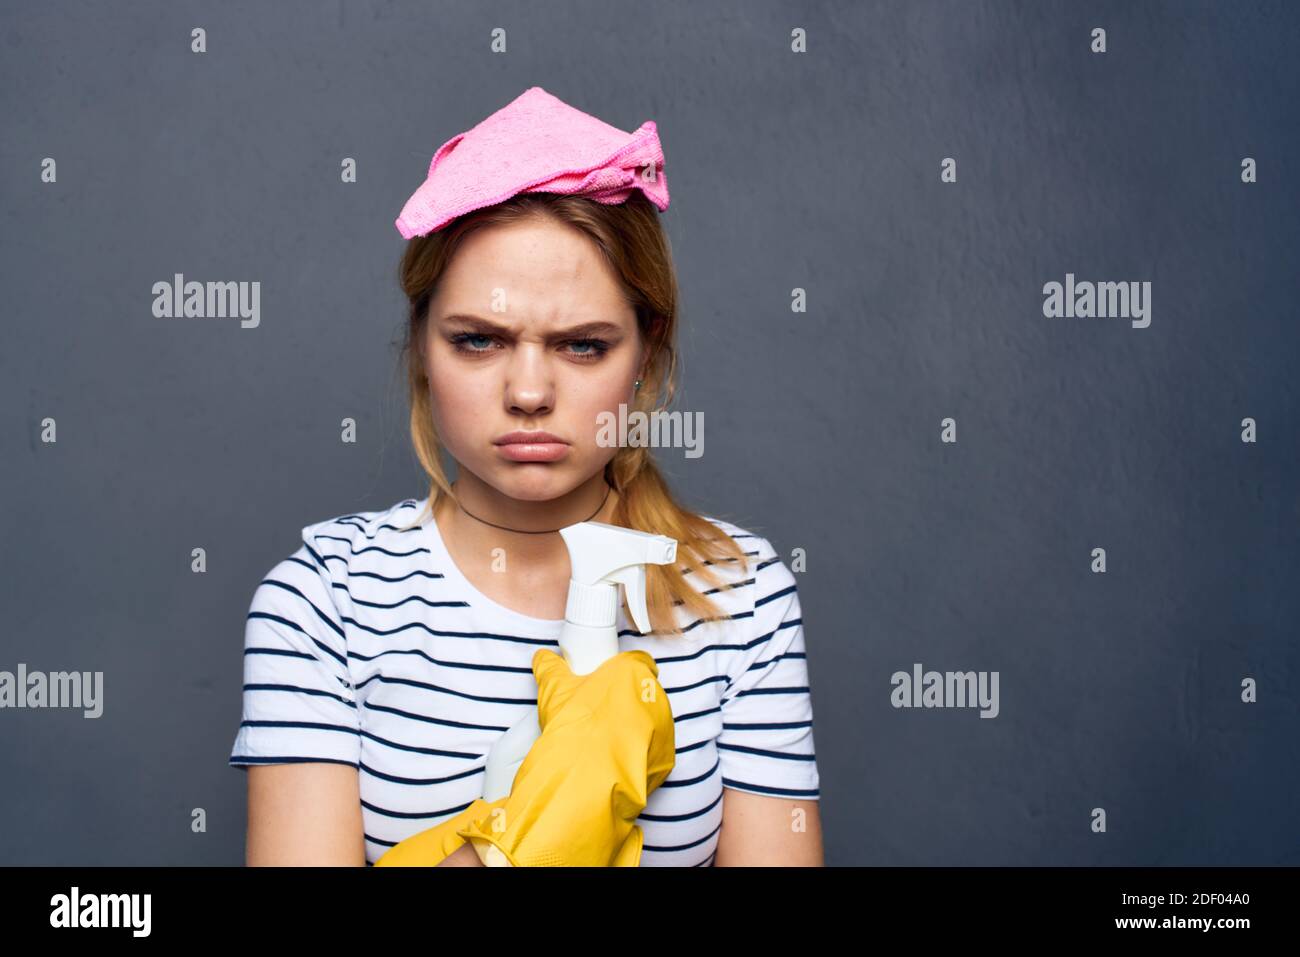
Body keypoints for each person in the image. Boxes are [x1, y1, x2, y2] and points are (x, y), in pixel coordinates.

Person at [228, 87, 822, 866]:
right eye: (479, 340)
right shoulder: (324, 605)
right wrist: (527, 838)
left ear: (646, 356)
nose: (530, 393)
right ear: (420, 347)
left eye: (582, 345)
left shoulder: (742, 598)